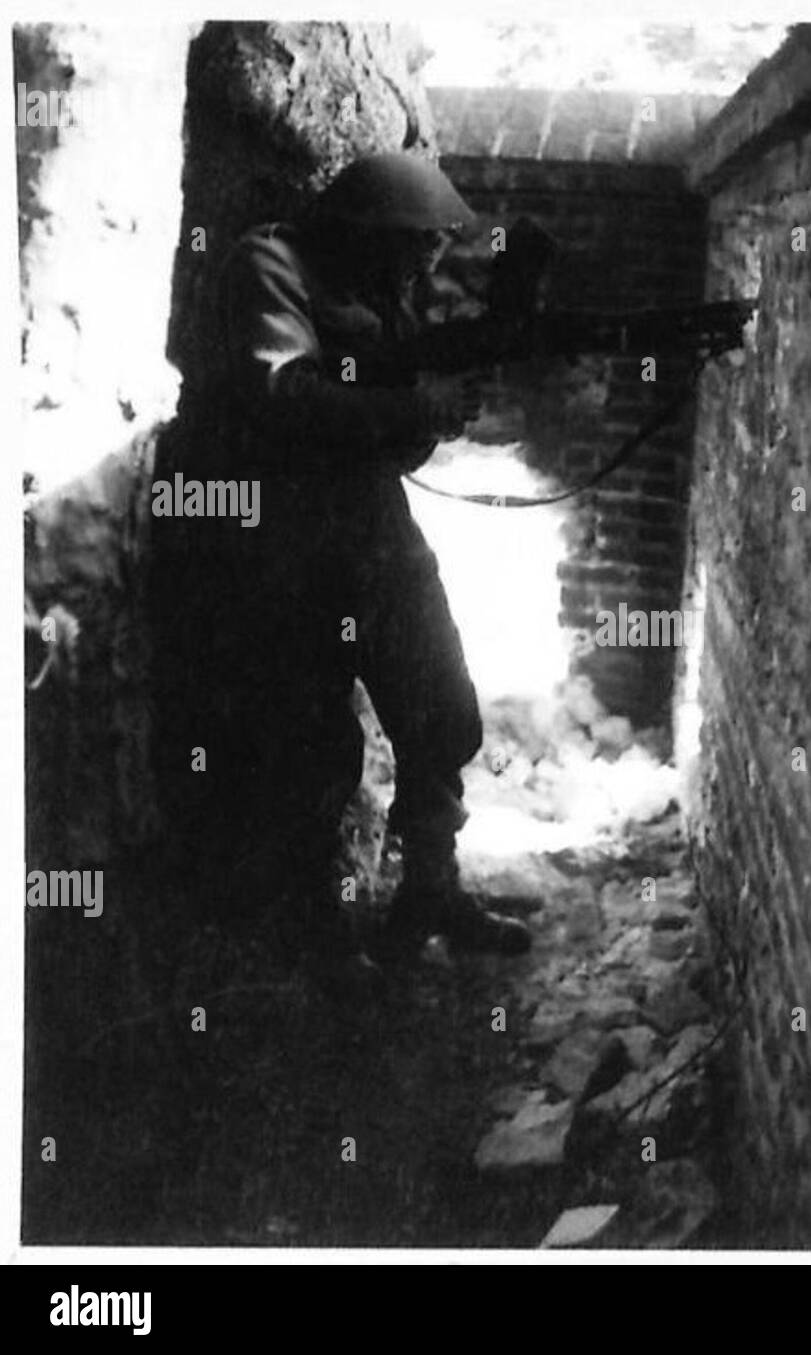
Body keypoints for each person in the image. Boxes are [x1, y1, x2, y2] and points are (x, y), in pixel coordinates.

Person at [149, 152, 531, 992]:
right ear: (370, 231)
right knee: (310, 741)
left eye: (434, 248)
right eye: (417, 245)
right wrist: (409, 405)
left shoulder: (383, 289)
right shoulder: (270, 262)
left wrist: (431, 413)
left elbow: (392, 443)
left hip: (371, 523)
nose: (426, 264)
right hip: (282, 536)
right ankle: (314, 923)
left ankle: (433, 889)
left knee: (440, 702)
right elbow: (280, 396)